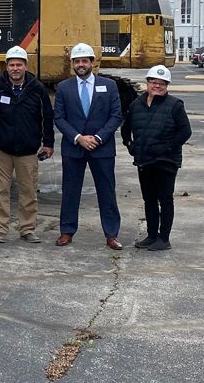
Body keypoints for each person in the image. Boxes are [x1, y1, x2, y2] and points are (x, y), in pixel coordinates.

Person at [53, 43, 125, 250]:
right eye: (77, 61)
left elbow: (115, 116)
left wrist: (98, 138)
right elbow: (59, 117)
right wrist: (78, 137)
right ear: (73, 64)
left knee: (107, 191)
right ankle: (66, 231)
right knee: (70, 191)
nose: (81, 64)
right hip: (73, 148)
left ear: (92, 63)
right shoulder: (64, 88)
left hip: (101, 148)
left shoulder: (109, 86)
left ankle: (111, 234)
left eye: (85, 61)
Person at [0, 46, 54, 244]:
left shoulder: (37, 89)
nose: (15, 68)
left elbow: (47, 117)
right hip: (1, 149)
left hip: (28, 150)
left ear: (25, 66)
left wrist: (48, 143)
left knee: (28, 191)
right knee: (0, 190)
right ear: (6, 67)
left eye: (19, 65)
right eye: (12, 65)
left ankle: (27, 229)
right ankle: (0, 229)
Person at [124, 64, 192, 251]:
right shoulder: (136, 104)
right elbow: (126, 127)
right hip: (144, 161)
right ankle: (151, 235)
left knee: (165, 199)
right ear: (147, 83)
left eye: (162, 83)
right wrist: (129, 144)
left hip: (166, 162)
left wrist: (166, 147)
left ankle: (164, 238)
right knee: (149, 199)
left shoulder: (175, 105)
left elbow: (185, 131)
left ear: (167, 85)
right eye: (154, 82)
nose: (157, 86)